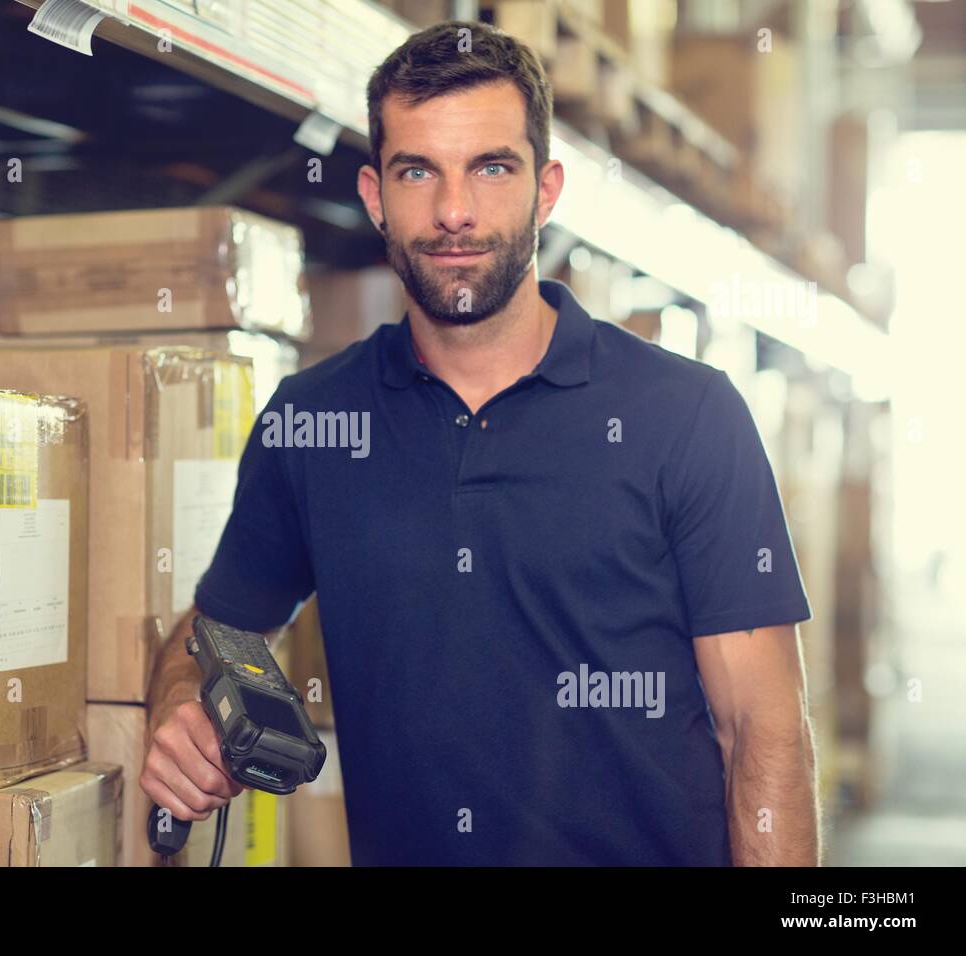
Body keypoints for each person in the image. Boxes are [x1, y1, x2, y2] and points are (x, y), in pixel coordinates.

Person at [141, 20, 819, 866]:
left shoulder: (686, 415)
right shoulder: (311, 422)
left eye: (490, 168)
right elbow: (216, 628)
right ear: (374, 195)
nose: (454, 211)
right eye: (417, 170)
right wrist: (179, 699)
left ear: (546, 190)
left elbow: (764, 728)